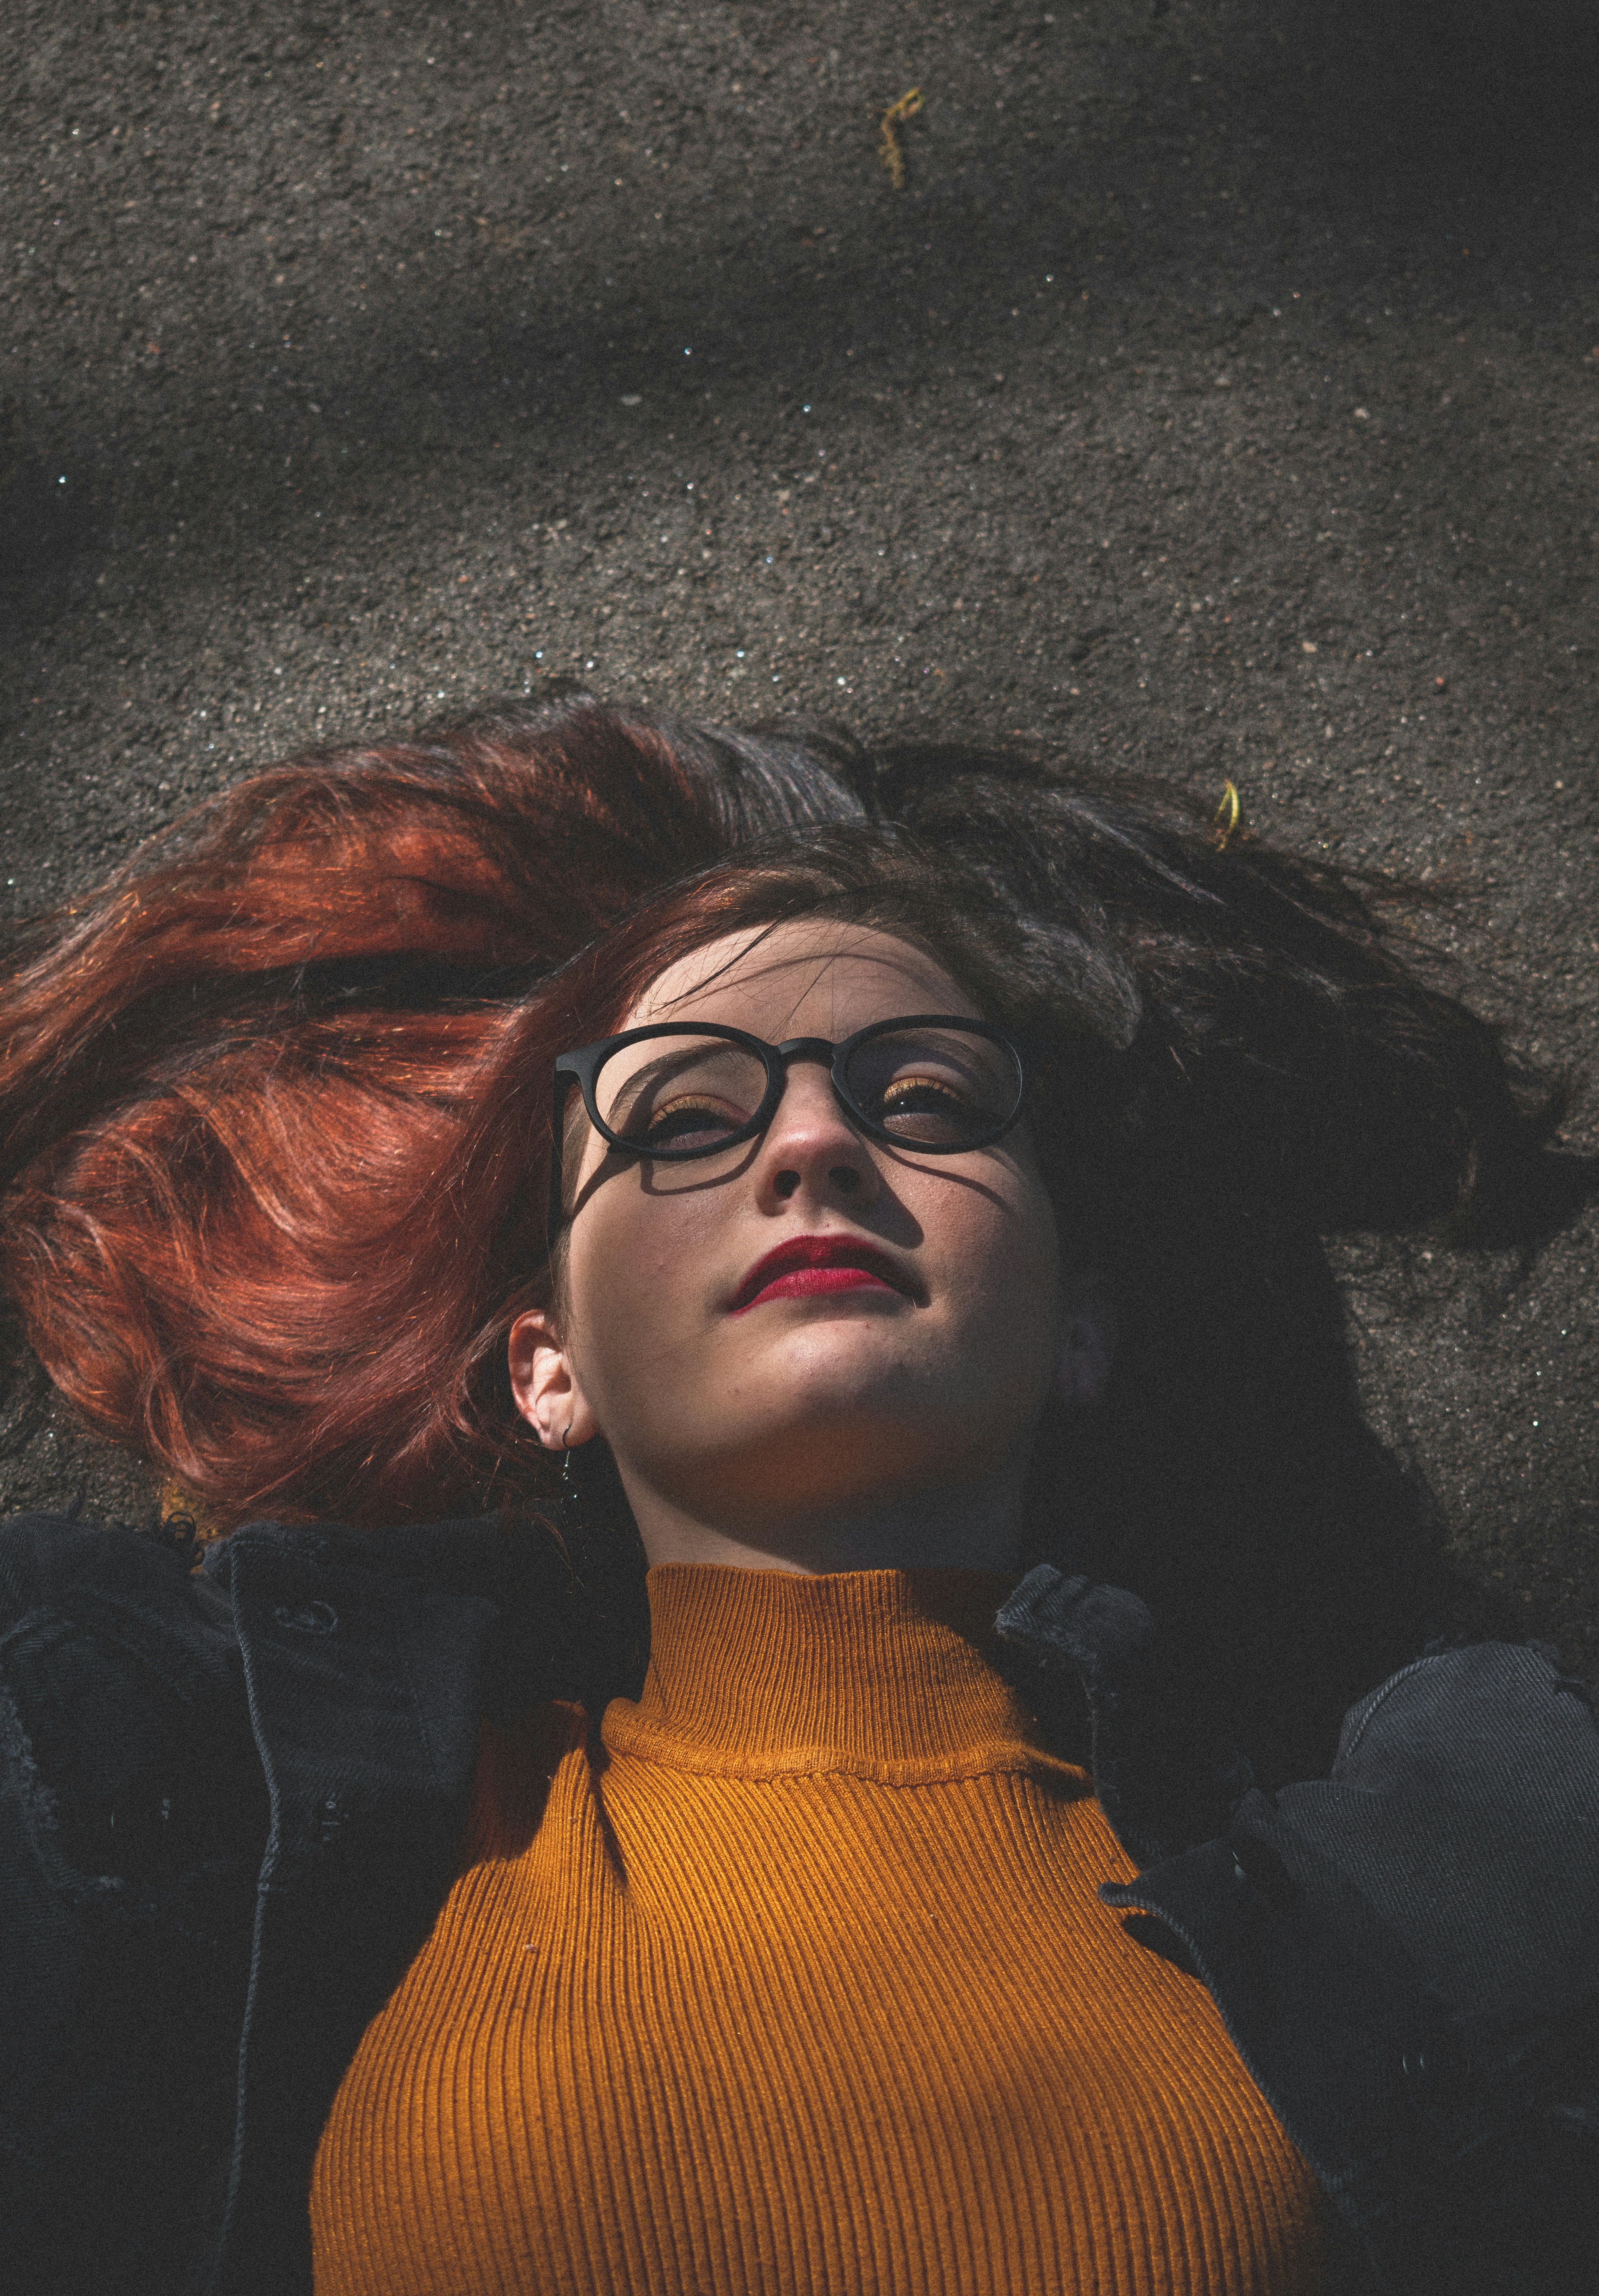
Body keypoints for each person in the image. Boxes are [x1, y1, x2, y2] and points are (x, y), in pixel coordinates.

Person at [0, 693, 1594, 2296]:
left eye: (925, 1100)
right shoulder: (171, 1779)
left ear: (1080, 1325)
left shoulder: (1464, 1867)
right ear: (548, 1365)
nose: (817, 1140)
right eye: (687, 1116)